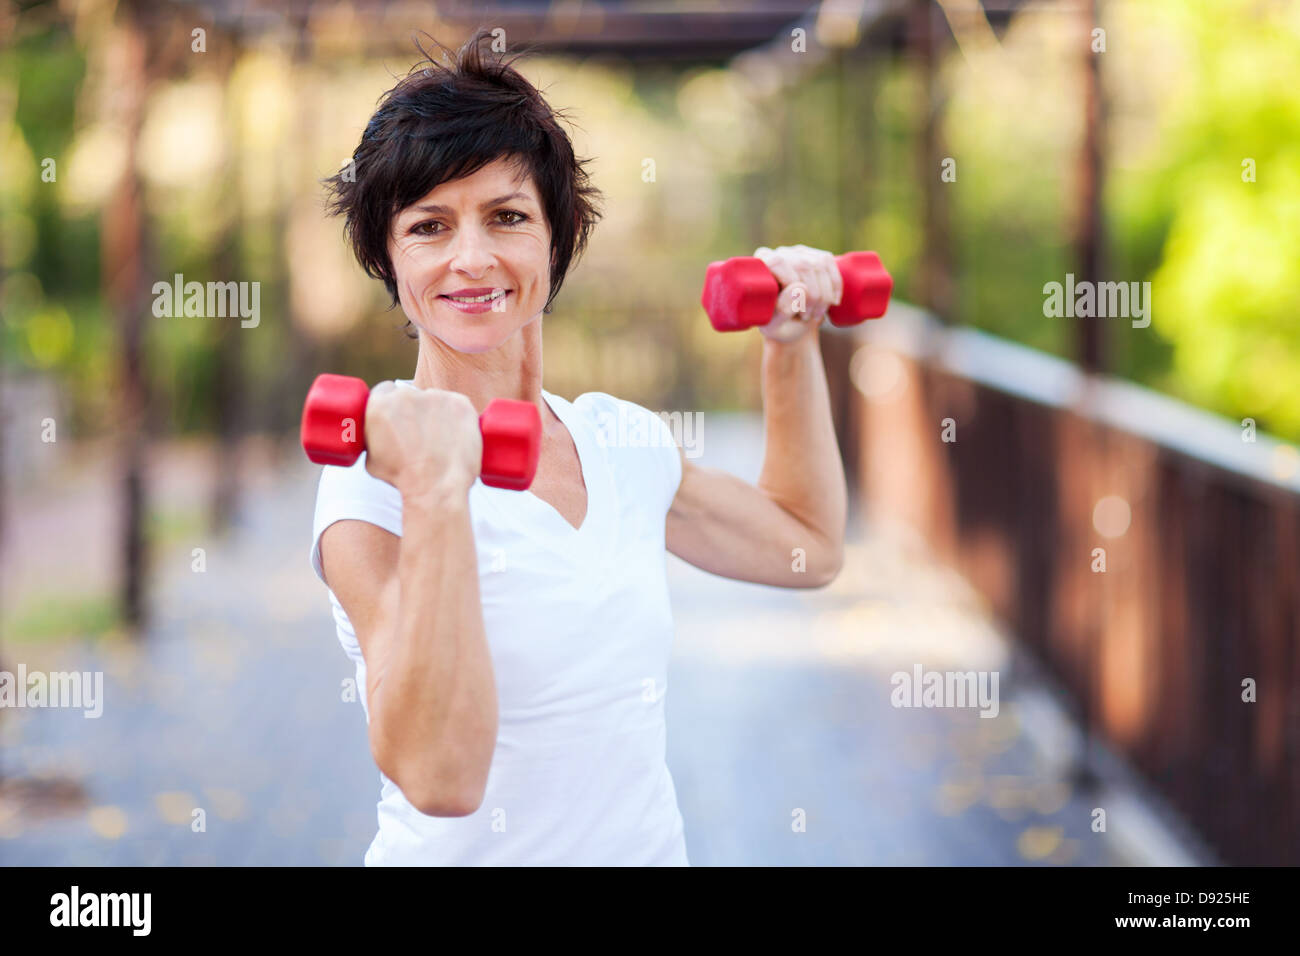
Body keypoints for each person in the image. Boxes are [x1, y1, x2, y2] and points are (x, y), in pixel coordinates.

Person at [310, 29, 847, 866]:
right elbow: (439, 777)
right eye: (429, 227)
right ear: (388, 257)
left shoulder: (618, 439)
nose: (472, 257)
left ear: (558, 237)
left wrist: (791, 343)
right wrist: (439, 492)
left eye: (508, 216)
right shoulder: (371, 484)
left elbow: (807, 546)